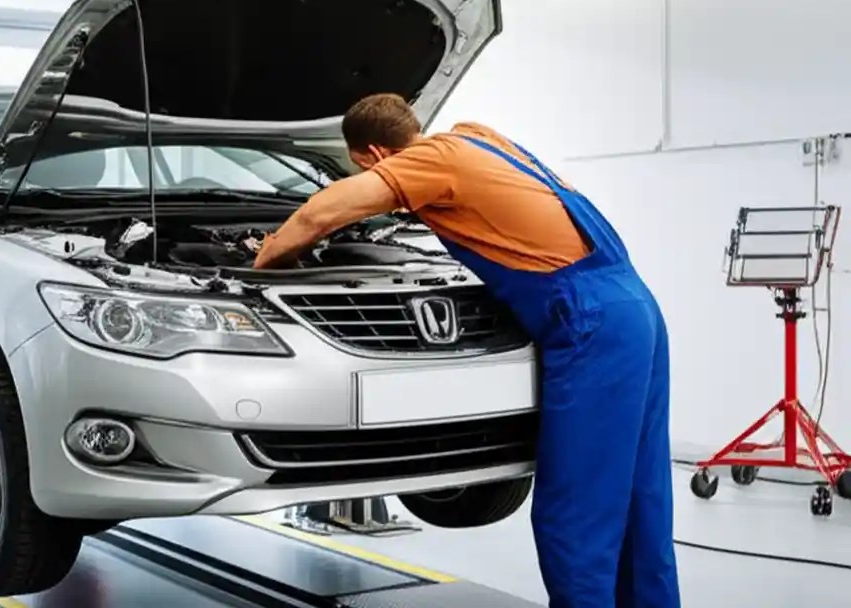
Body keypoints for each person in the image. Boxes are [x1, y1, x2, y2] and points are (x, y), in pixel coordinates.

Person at [253, 94, 680, 607]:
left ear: (371, 155)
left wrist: (264, 258)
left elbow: (319, 213)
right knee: (639, 497)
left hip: (589, 319)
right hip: (633, 307)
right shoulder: (476, 139)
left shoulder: (427, 161)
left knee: (575, 508)